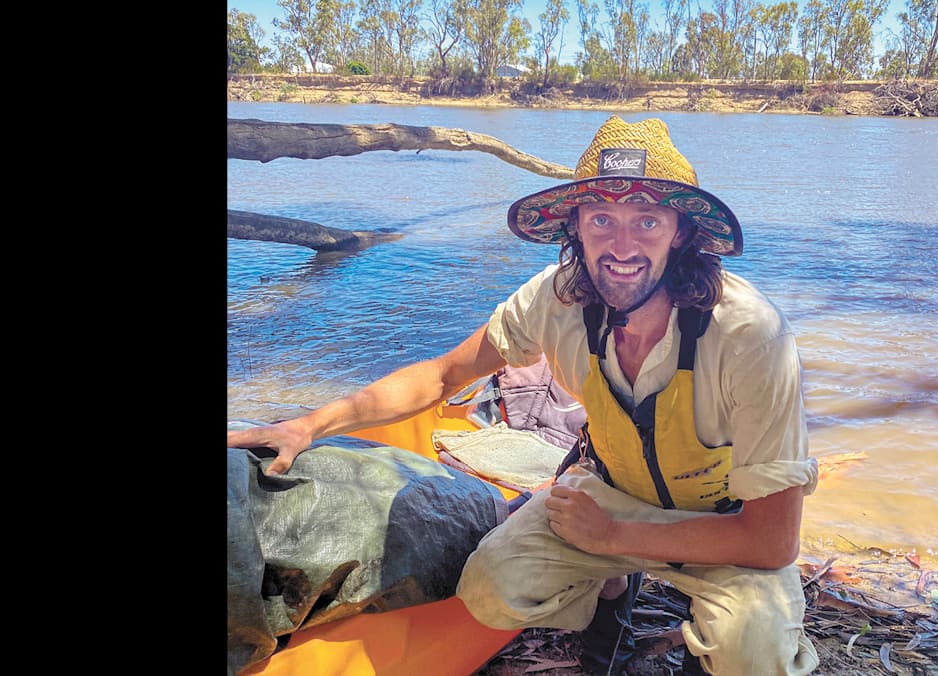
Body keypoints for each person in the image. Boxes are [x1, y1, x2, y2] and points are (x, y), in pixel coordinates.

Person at [227, 115, 821, 675]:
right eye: (600, 218)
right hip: (609, 494)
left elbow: (771, 539)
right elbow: (441, 377)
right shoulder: (555, 298)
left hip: (723, 526)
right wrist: (308, 425)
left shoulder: (749, 334)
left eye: (646, 219)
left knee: (753, 649)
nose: (621, 245)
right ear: (574, 227)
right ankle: (612, 592)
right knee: (489, 586)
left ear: (681, 232)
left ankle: (702, 644)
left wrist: (614, 540)